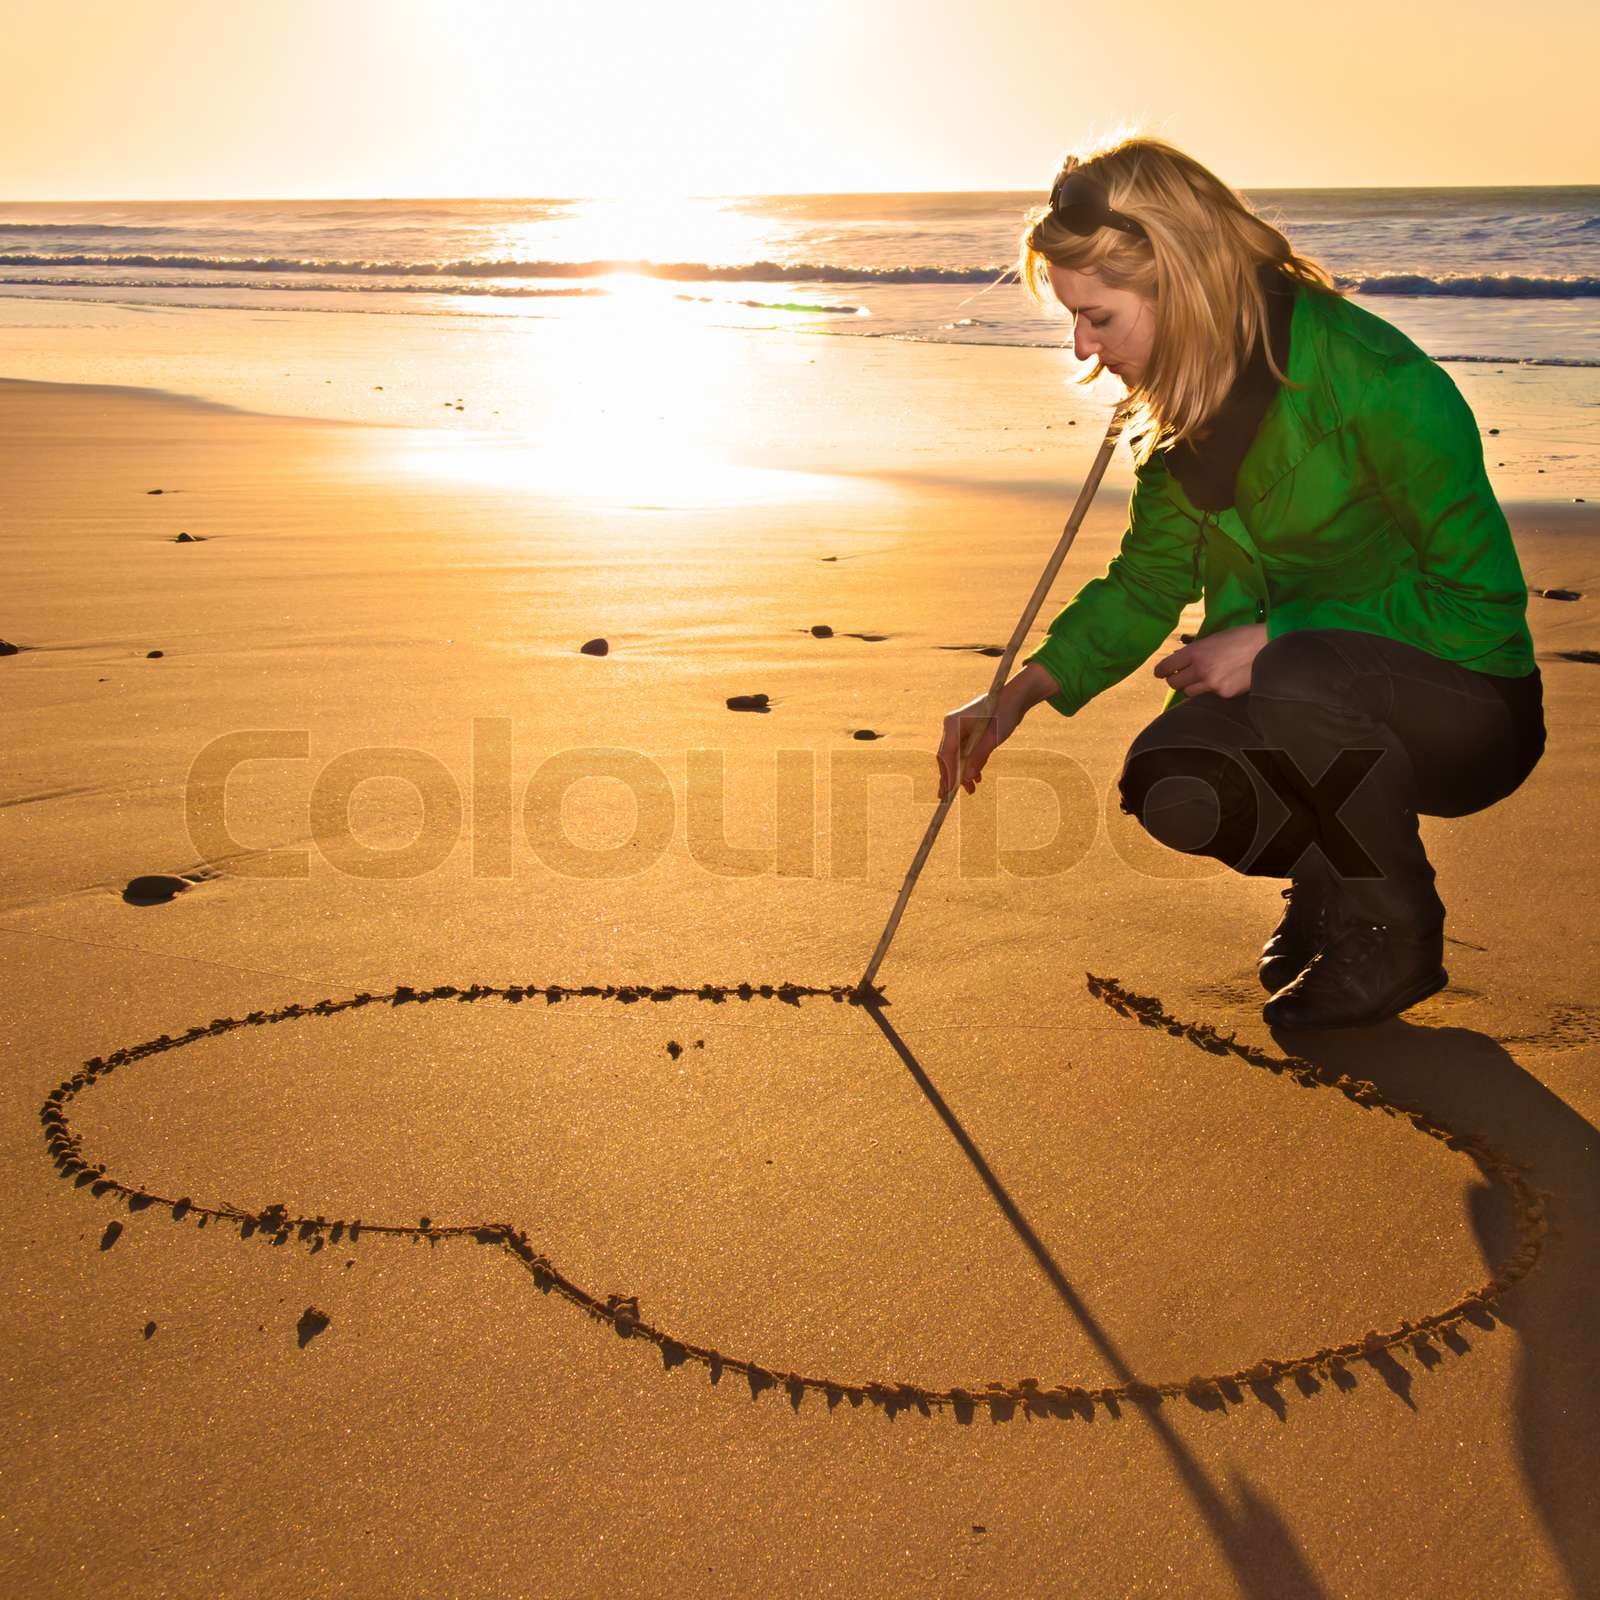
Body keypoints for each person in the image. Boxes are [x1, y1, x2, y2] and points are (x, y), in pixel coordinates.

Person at [934, 136, 1546, 1030]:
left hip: (1466, 704)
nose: (1083, 347)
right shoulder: (1185, 409)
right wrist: (1018, 693)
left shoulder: (1382, 383)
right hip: (1312, 700)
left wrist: (1275, 637)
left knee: (1300, 677)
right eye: (1073, 320)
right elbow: (1146, 586)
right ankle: (1333, 874)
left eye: (1099, 317)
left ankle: (1394, 934)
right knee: (1174, 783)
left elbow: (1479, 609)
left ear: (1179, 282)